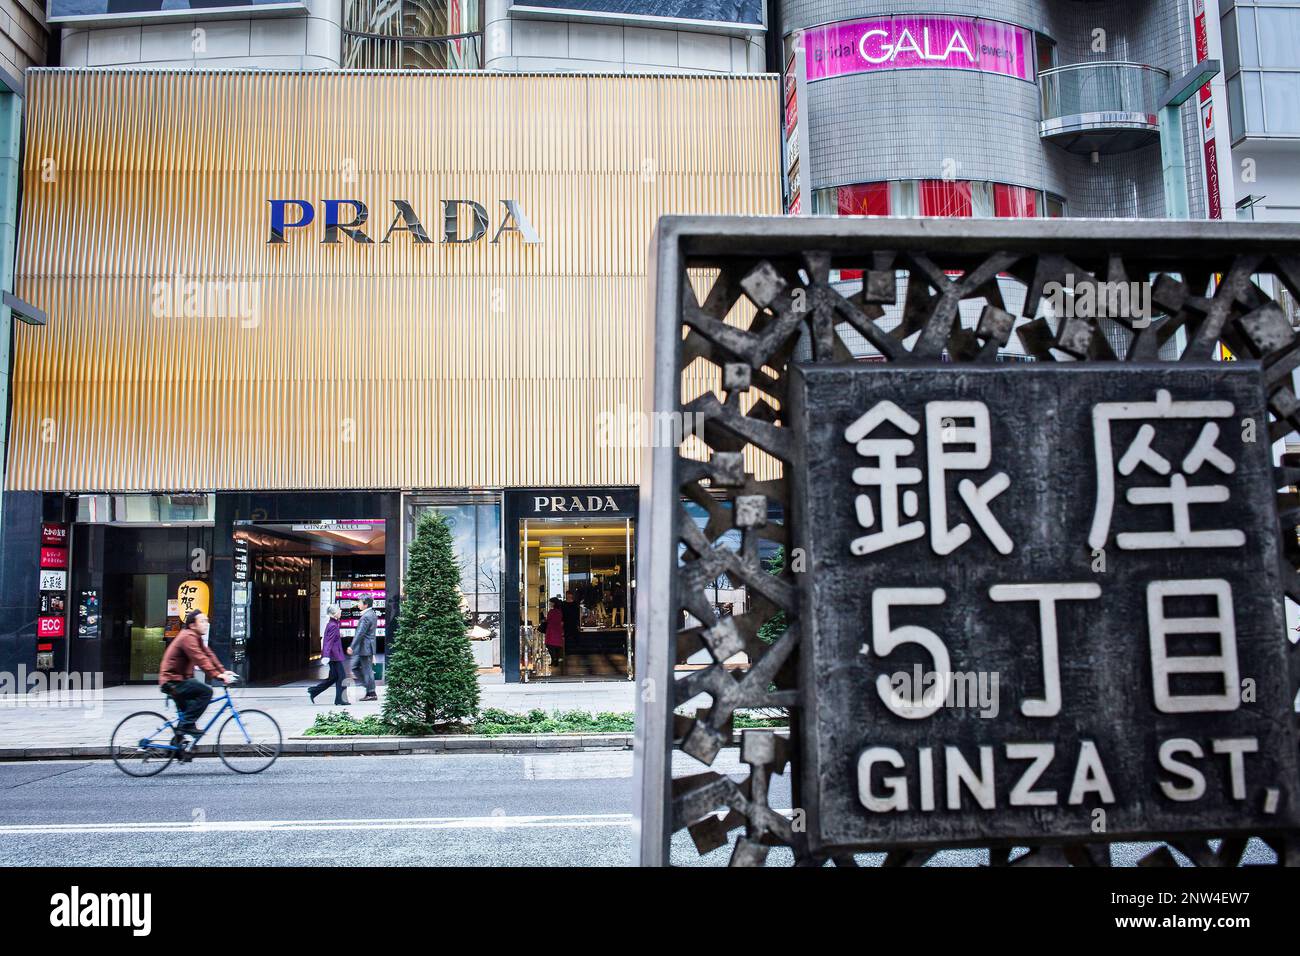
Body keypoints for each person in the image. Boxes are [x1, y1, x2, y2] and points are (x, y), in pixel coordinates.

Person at [158, 611, 237, 748]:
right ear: (192, 625)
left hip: (179, 680)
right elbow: (199, 658)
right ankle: (187, 727)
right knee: (206, 692)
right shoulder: (187, 637)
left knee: (187, 714)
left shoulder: (195, 637)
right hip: (172, 681)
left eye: (207, 621)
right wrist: (217, 675)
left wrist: (223, 671)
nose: (206, 624)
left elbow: (208, 654)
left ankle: (177, 748)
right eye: (202, 621)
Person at [308, 604, 349, 706]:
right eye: (339, 610)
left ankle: (314, 691)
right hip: (334, 656)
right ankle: (341, 700)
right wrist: (325, 655)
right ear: (334, 613)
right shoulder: (333, 625)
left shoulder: (333, 624)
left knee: (334, 677)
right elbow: (328, 641)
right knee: (342, 677)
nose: (341, 611)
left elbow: (330, 639)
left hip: (333, 655)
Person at [347, 595, 379, 702]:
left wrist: (352, 646)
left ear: (366, 604)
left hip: (364, 647)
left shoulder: (366, 616)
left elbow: (360, 633)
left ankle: (371, 692)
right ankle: (369, 687)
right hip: (365, 646)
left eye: (360, 602)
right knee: (356, 667)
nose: (358, 604)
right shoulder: (371, 614)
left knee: (366, 670)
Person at [543, 596, 566, 674]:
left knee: (550, 645)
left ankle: (554, 660)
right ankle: (555, 660)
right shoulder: (560, 611)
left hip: (551, 630)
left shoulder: (551, 612)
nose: (549, 604)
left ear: (553, 603)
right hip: (558, 630)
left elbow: (548, 620)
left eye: (550, 603)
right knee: (556, 646)